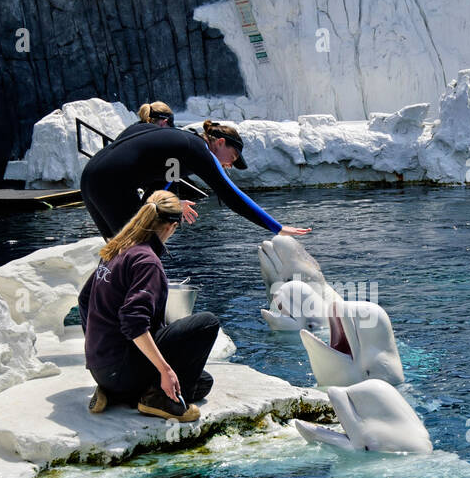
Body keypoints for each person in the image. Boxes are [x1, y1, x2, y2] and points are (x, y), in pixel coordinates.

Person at [79, 190, 219, 421]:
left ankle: (114, 394)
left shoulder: (116, 249)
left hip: (100, 370)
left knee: (203, 381)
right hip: (121, 369)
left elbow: (84, 300)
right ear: (171, 226)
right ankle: (156, 399)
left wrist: (99, 348)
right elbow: (133, 320)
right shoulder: (147, 261)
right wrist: (165, 370)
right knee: (207, 323)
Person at [79, 116, 311, 240]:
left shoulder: (176, 145)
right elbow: (230, 194)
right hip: (113, 184)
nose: (229, 164)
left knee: (117, 251)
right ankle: (150, 326)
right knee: (144, 252)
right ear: (220, 143)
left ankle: (97, 309)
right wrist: (276, 227)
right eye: (232, 157)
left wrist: (172, 203)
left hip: (91, 178)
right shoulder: (198, 149)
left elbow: (160, 185)